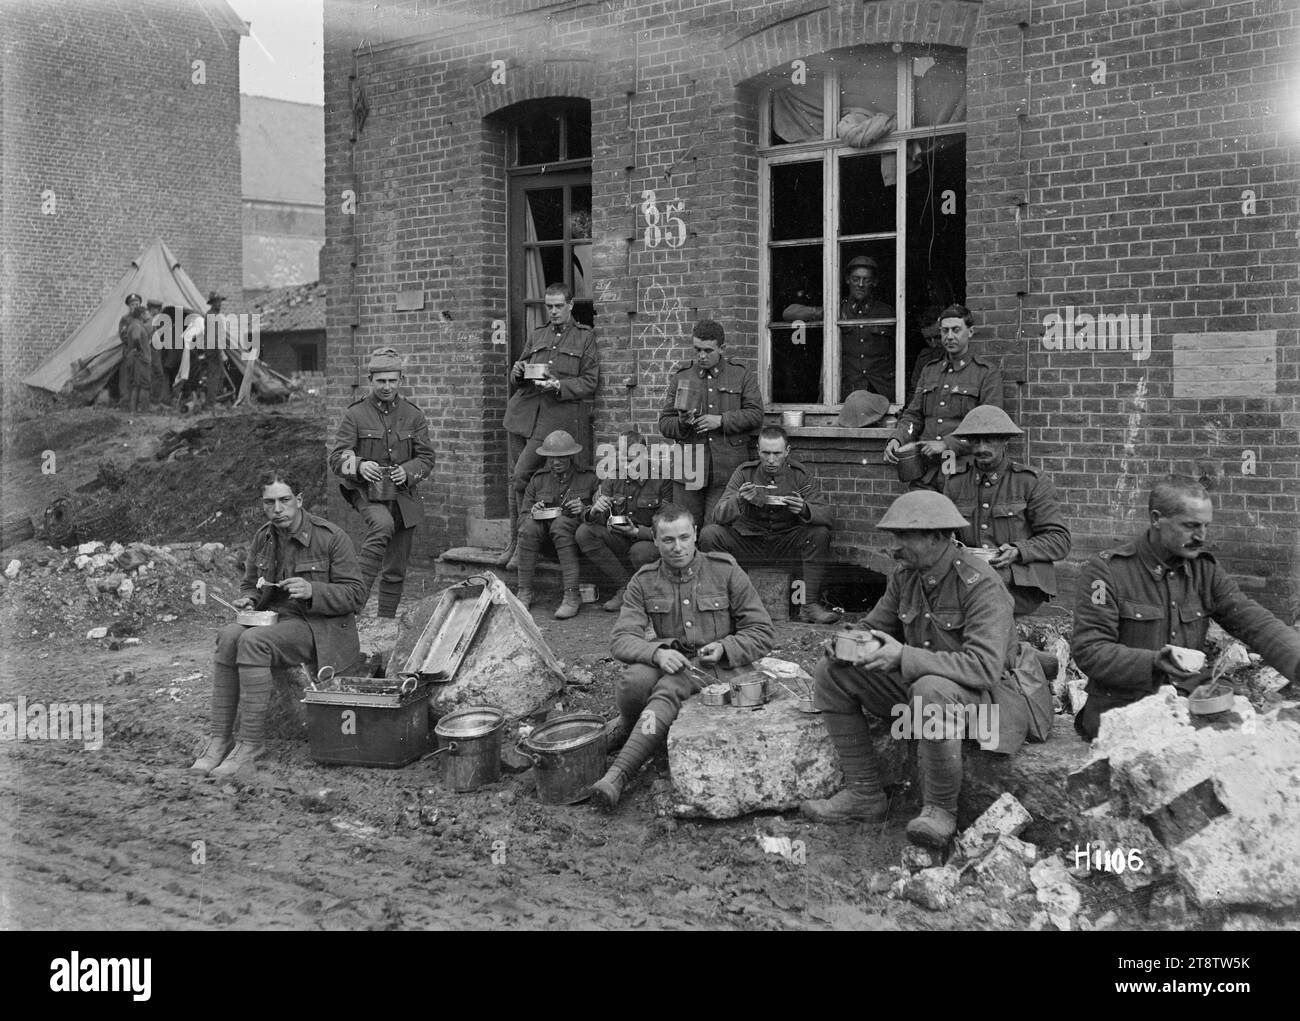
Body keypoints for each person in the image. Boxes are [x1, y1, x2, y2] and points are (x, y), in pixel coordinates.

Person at [801, 491, 1047, 848]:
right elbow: (875, 627)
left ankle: (941, 811)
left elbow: (984, 669)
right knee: (832, 673)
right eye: (894, 536)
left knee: (929, 689)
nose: (895, 547)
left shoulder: (981, 584)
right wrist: (848, 643)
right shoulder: (908, 575)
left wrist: (904, 658)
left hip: (992, 710)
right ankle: (865, 794)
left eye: (905, 536)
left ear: (937, 536)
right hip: (931, 702)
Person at [1070, 475, 1300, 741]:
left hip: (1193, 700)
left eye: (1205, 526)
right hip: (1126, 709)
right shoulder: (1108, 572)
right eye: (1191, 526)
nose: (1201, 536)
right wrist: (1155, 662)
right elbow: (1090, 650)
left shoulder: (1204, 570)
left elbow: (1254, 623)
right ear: (1157, 519)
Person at [592, 504, 774, 809]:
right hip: (675, 660)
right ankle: (635, 727)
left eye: (684, 538)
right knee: (633, 681)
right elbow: (621, 638)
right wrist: (657, 653)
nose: (677, 547)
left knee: (668, 688)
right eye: (668, 540)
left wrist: (725, 647)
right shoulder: (644, 580)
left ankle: (619, 774)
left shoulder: (725, 569)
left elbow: (762, 632)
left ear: (695, 536)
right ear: (655, 542)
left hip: (722, 667)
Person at [191, 469, 367, 780]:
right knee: (229, 635)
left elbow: (356, 594)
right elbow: (250, 584)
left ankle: (251, 746)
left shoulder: (330, 537)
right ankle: (220, 739)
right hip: (275, 619)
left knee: (252, 642)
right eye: (269, 502)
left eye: (284, 500)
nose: (277, 509)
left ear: (299, 500)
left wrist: (314, 590)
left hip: (318, 628)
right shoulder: (264, 537)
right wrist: (247, 598)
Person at [328, 347, 436, 618]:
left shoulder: (414, 415)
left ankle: (385, 622)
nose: (387, 387)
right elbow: (337, 458)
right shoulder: (356, 414)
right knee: (382, 524)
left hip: (403, 497)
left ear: (401, 379)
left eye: (392, 380)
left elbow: (426, 458)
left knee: (397, 568)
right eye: (381, 381)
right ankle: (352, 609)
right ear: (370, 380)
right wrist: (361, 466)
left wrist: (408, 472)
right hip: (366, 492)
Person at [699, 425, 842, 624]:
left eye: (777, 453)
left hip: (786, 544)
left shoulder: (799, 475)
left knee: (819, 533)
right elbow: (717, 515)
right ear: (758, 450)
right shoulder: (744, 473)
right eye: (766, 453)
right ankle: (721, 604)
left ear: (787, 452)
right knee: (710, 534)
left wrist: (804, 509)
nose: (771, 460)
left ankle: (808, 606)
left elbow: (827, 515)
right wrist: (739, 500)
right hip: (750, 543)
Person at [501, 282, 600, 562]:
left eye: (558, 306)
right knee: (515, 480)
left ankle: (524, 547)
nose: (553, 311)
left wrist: (559, 386)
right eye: (549, 306)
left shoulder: (585, 338)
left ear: (570, 305)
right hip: (521, 415)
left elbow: (590, 381)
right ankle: (514, 543)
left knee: (521, 476)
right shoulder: (537, 334)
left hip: (553, 420)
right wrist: (517, 371)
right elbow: (518, 374)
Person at [942, 405, 1071, 617]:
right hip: (970, 574)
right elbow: (943, 535)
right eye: (975, 441)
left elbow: (1059, 539)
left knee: (984, 595)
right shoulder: (956, 484)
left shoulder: (1030, 482)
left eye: (989, 439)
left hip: (1017, 580)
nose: (981, 447)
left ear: (1005, 440)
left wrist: (1018, 550)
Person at [884, 304, 1002, 491]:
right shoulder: (930, 371)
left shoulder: (985, 374)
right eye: (945, 331)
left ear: (970, 332)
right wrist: (898, 438)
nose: (949, 337)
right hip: (925, 473)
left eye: (956, 330)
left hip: (964, 473)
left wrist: (946, 444)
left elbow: (989, 428)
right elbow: (913, 416)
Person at [657, 319, 764, 528]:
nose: (701, 356)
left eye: (708, 350)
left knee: (715, 530)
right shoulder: (682, 376)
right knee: (685, 528)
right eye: (697, 350)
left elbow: (756, 414)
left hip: (727, 469)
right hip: (688, 469)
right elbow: (664, 423)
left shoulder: (741, 374)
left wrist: (721, 420)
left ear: (722, 348)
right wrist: (682, 422)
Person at [575, 428, 673, 611]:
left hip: (648, 541)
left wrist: (637, 532)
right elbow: (600, 518)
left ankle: (649, 594)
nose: (625, 466)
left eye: (630, 460)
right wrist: (595, 511)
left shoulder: (662, 478)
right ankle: (625, 586)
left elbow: (669, 525)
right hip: (619, 538)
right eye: (621, 458)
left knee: (640, 551)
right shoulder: (614, 475)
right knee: (584, 533)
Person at [782, 255, 896, 400]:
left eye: (866, 280)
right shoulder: (836, 310)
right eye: (855, 279)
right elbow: (788, 313)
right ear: (847, 280)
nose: (860, 284)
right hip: (846, 393)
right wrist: (826, 313)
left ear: (874, 282)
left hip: (881, 391)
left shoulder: (886, 313)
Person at [515, 429, 599, 619]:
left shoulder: (589, 478)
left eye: (561, 458)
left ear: (571, 456)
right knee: (528, 527)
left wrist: (585, 509)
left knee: (561, 524)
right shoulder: (538, 480)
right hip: (543, 542)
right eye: (551, 458)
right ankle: (524, 592)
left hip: (574, 542)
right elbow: (522, 519)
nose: (555, 463)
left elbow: (601, 517)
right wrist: (533, 512)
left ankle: (571, 595)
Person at [119, 302, 152, 413]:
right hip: (140, 359)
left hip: (136, 358)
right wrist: (140, 350)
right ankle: (144, 410)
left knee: (136, 385)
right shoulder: (137, 325)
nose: (148, 315)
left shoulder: (135, 324)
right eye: (146, 313)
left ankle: (133, 410)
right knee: (144, 385)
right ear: (141, 315)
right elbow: (136, 338)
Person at [199, 290, 228, 409]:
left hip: (214, 349)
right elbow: (215, 337)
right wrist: (221, 352)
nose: (219, 304)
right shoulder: (212, 316)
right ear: (212, 303)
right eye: (217, 302)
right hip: (214, 350)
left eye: (220, 301)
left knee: (218, 375)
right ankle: (211, 404)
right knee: (213, 376)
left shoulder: (215, 316)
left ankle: (215, 400)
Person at [145, 298, 169, 406]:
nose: (155, 312)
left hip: (156, 351)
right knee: (155, 374)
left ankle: (155, 399)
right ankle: (152, 400)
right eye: (153, 309)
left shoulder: (160, 322)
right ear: (149, 309)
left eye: (157, 309)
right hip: (149, 351)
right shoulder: (147, 321)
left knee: (157, 375)